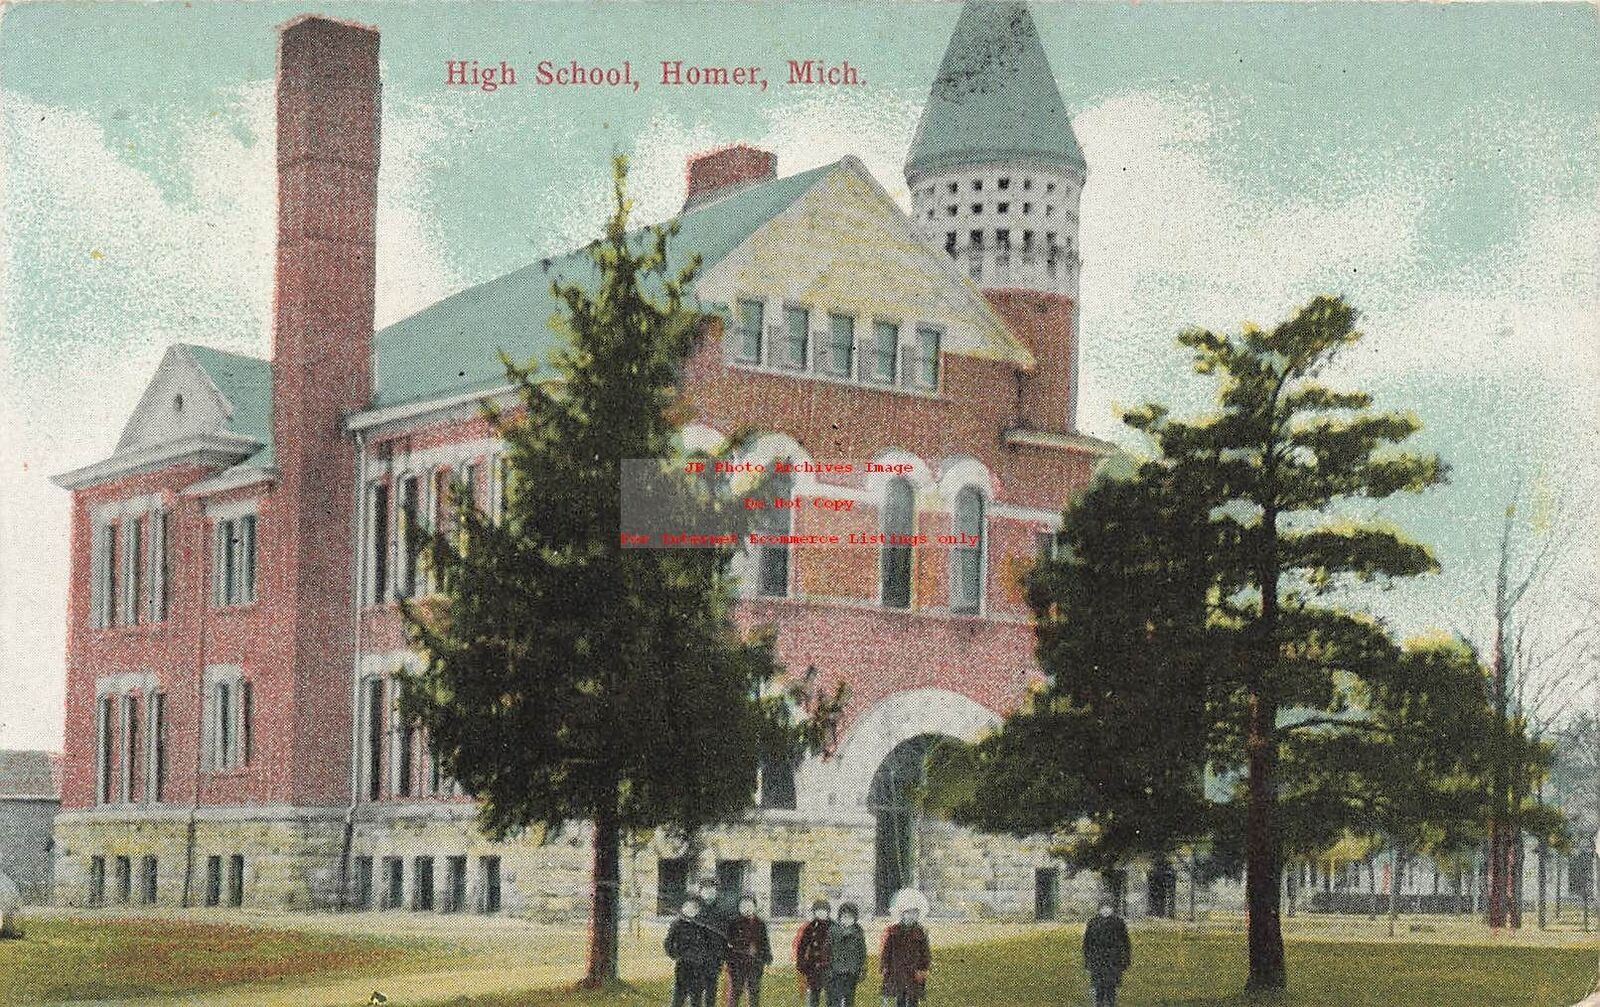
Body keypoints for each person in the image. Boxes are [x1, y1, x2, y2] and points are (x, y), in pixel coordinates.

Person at [665, 897, 723, 1007]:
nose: (691, 910)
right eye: (688, 907)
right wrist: (676, 955)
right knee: (678, 996)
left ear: (698, 910)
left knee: (696, 997)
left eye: (694, 908)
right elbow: (668, 943)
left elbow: (707, 944)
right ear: (683, 908)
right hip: (683, 966)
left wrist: (703, 958)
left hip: (698, 968)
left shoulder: (701, 926)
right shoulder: (677, 924)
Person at [1082, 897, 1132, 1007]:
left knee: (1110, 990)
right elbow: (1087, 944)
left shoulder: (1118, 922)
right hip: (1099, 961)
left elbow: (1125, 943)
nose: (1106, 909)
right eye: (1103, 906)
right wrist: (1088, 961)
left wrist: (1125, 960)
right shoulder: (1093, 922)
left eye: (1108, 906)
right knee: (1100, 990)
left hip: (1112, 961)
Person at [879, 902, 931, 1007]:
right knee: (900, 997)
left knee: (913, 998)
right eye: (908, 913)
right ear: (902, 914)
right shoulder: (894, 931)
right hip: (898, 969)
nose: (911, 916)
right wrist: (884, 966)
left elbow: (925, 953)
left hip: (914, 970)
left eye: (914, 913)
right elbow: (887, 951)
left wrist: (923, 968)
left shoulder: (920, 932)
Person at [725, 893, 772, 1006]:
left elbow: (764, 942)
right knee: (736, 991)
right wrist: (730, 959)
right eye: (743, 906)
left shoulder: (760, 924)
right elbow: (728, 943)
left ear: (754, 907)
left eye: (749, 905)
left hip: (755, 963)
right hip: (737, 963)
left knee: (754, 990)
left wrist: (767, 955)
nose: (747, 908)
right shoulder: (733, 923)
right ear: (739, 907)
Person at [693, 877, 731, 1006]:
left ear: (716, 892)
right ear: (700, 891)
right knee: (696, 991)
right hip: (696, 958)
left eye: (712, 889)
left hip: (714, 959)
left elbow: (726, 936)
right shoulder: (694, 910)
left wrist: (723, 956)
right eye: (706, 889)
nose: (709, 892)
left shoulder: (722, 911)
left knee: (711, 990)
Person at [824, 901, 867, 1007]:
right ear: (840, 917)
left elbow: (862, 952)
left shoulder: (858, 932)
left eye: (850, 917)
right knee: (835, 999)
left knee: (849, 998)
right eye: (844, 917)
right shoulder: (833, 931)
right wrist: (827, 968)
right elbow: (827, 951)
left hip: (851, 972)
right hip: (836, 971)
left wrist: (862, 969)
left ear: (855, 919)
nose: (847, 920)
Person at [793, 897, 833, 1007]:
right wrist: (801, 964)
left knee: (831, 995)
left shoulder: (834, 927)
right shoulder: (810, 928)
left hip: (830, 967)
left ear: (828, 912)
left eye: (824, 911)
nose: (821, 913)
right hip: (813, 968)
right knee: (813, 995)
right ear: (814, 912)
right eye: (818, 911)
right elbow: (802, 947)